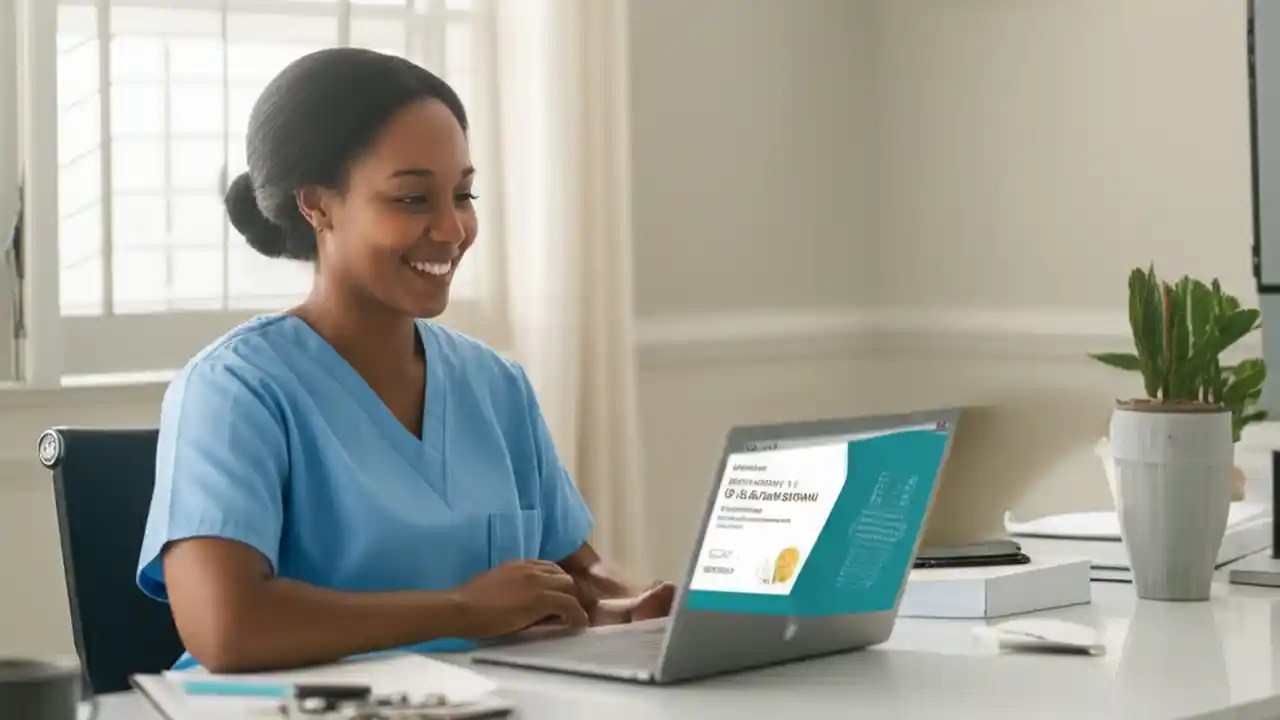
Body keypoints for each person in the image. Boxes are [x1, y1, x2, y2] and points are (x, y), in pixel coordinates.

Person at [135, 47, 674, 673]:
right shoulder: (233, 391)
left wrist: (628, 607)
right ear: (317, 205)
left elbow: (575, 573)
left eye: (464, 194)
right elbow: (227, 629)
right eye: (413, 200)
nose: (452, 229)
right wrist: (460, 610)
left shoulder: (495, 386)